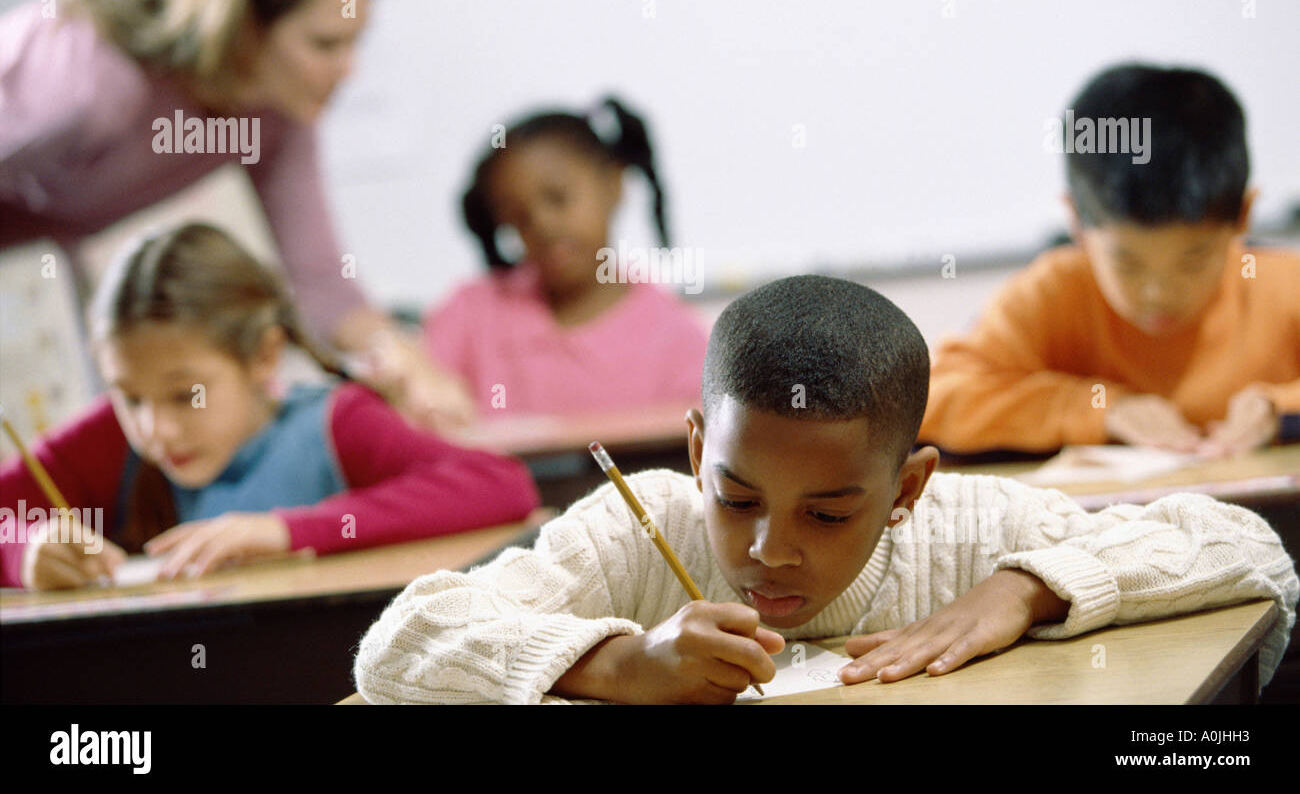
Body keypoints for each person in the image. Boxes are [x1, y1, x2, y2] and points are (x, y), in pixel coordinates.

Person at [354, 275, 1296, 703]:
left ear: (907, 487)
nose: (770, 548)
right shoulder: (640, 533)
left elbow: (1247, 547)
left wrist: (1024, 589)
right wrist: (617, 666)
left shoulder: (971, 531)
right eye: (737, 496)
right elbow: (400, 644)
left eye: (831, 511)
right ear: (694, 453)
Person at [0, 0, 473, 430]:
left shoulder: (275, 117)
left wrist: (408, 364)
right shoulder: (91, 73)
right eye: (325, 44)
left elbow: (320, 280)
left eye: (354, 44)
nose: (349, 70)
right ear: (241, 25)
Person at [0, 222, 541, 590]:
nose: (155, 428)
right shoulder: (111, 439)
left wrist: (287, 531)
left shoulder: (335, 422)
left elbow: (501, 485)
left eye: (185, 394)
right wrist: (22, 551)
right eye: (129, 396)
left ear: (263, 357)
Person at [919, 62, 1300, 456]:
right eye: (1128, 264)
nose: (1158, 292)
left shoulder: (1284, 286)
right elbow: (934, 396)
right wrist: (1096, 409)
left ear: (1244, 216)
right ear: (1076, 221)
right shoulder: (1053, 292)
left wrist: (1283, 409)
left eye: (1193, 260)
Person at [425, 95, 707, 415]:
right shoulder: (468, 316)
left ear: (614, 185)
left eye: (558, 198)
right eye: (519, 217)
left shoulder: (677, 340)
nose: (542, 225)